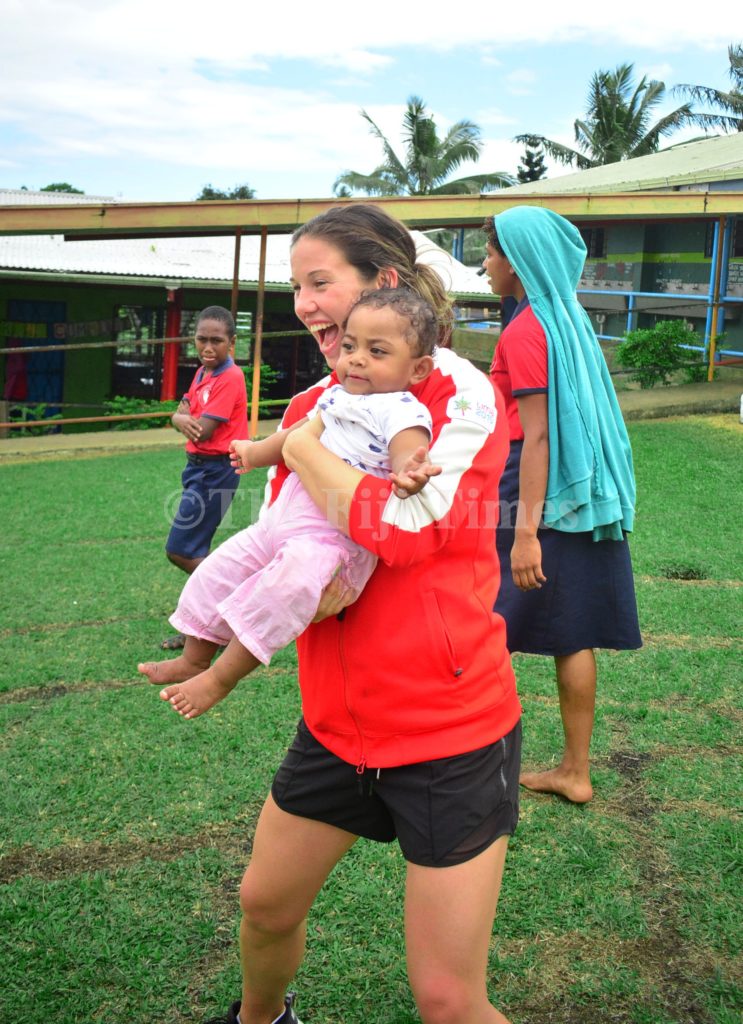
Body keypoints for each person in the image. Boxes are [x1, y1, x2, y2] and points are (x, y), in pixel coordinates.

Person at [147, 204, 521, 1024]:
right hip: (336, 721)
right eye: (296, 287)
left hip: (447, 730)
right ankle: (261, 1021)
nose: (305, 305)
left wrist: (307, 447)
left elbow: (405, 530)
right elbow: (289, 536)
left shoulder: (457, 395)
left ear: (382, 283)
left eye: (321, 283)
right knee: (265, 906)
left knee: (446, 997)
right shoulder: (322, 396)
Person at [138, 288, 441, 716]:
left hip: (331, 543)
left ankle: (220, 677)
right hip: (282, 521)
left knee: (283, 590)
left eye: (377, 351)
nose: (355, 359)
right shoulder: (337, 395)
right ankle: (193, 656)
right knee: (217, 571)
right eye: (350, 346)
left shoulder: (401, 410)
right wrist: (255, 451)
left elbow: (407, 451)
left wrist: (410, 472)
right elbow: (297, 434)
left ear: (418, 368)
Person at [483, 205, 641, 805]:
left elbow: (538, 436)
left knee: (484, 623)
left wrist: (526, 533)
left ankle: (465, 759)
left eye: (493, 252)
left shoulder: (527, 331)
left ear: (518, 261)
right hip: (583, 494)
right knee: (573, 633)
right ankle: (575, 770)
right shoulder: (569, 319)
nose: (486, 263)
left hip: (537, 494)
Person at [161, 305, 248, 650]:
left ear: (232, 343)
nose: (208, 348)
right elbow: (183, 411)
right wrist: (177, 417)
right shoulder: (202, 373)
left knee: (180, 550)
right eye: (201, 340)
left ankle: (233, 607)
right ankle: (208, 620)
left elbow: (199, 429)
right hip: (197, 469)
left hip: (216, 471)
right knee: (197, 549)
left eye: (216, 341)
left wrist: (178, 419)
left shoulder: (230, 377)